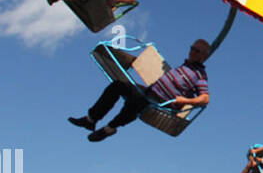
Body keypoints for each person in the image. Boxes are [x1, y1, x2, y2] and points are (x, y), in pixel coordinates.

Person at [69, 38, 210, 143]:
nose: (191, 51)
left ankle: (109, 128)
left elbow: (205, 98)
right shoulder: (185, 65)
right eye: (192, 48)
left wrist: (185, 100)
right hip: (149, 92)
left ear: (203, 55)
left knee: (137, 102)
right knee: (118, 86)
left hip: (160, 102)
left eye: (196, 50)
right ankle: (91, 119)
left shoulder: (199, 75)